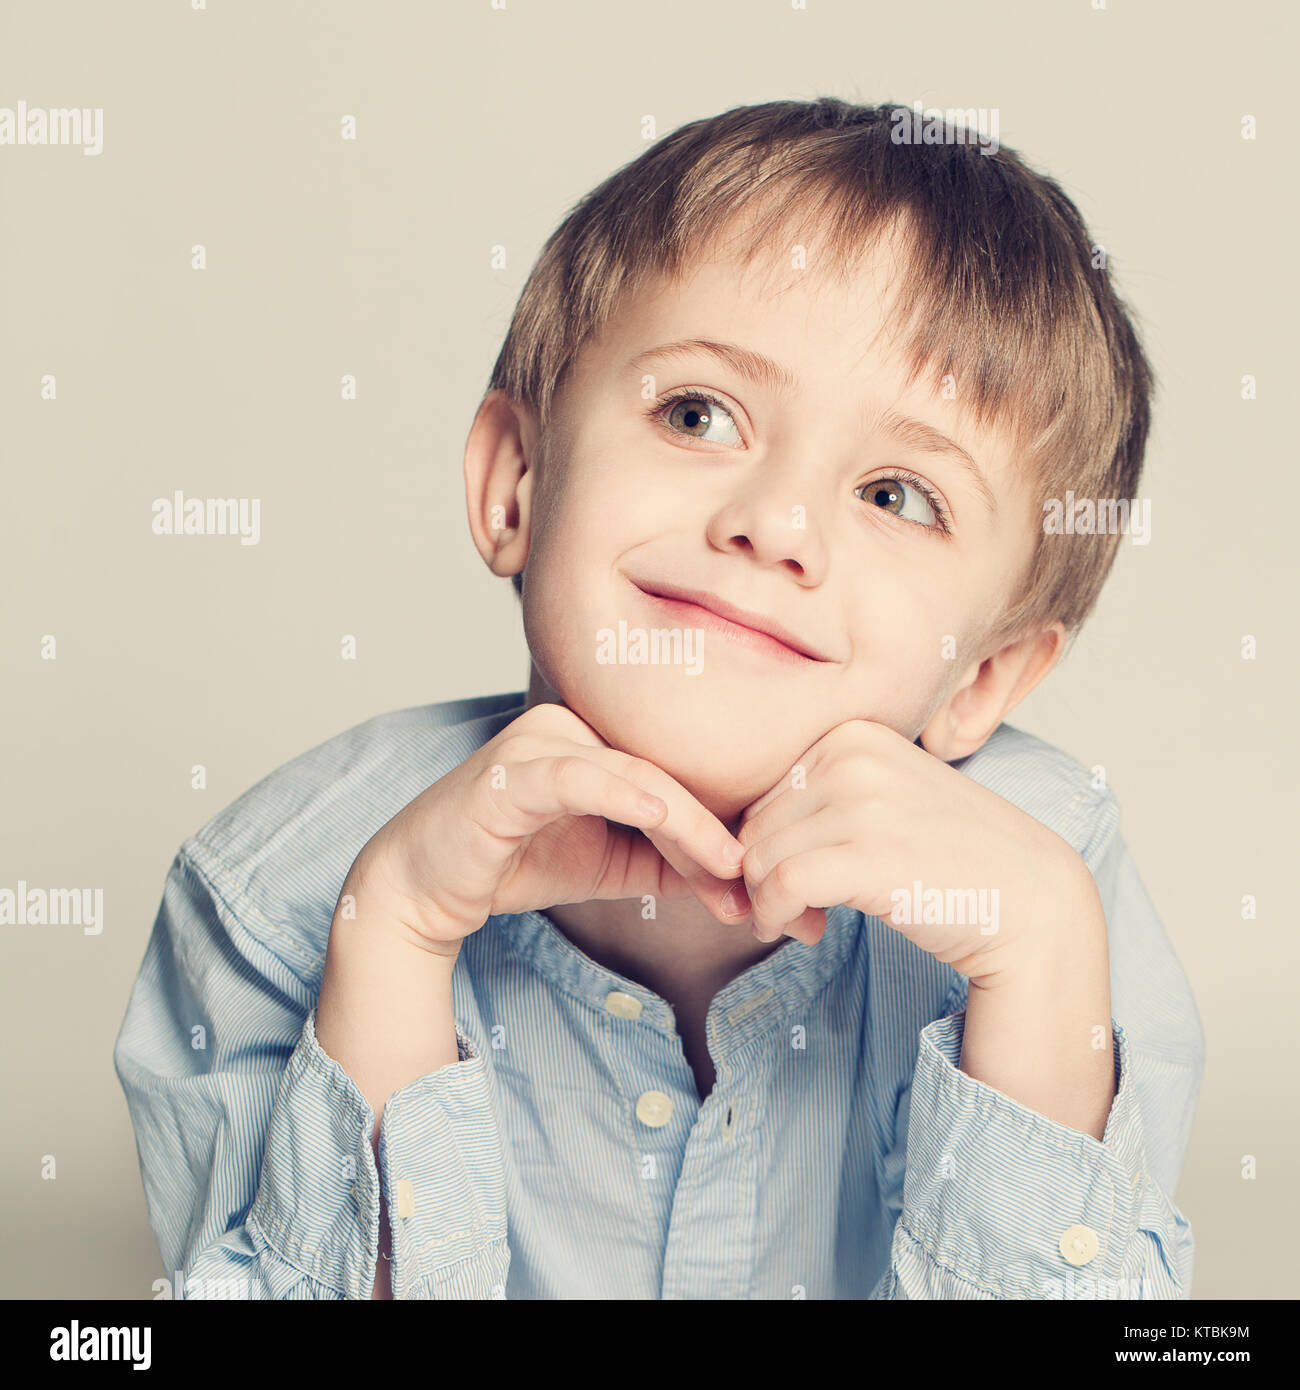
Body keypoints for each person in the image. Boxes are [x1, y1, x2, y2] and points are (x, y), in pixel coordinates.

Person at [114, 98, 1203, 1299]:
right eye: (698, 415)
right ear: (514, 484)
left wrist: (1041, 977)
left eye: (897, 495)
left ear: (982, 679)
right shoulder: (274, 894)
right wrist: (397, 941)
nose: (775, 522)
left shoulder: (1048, 892)